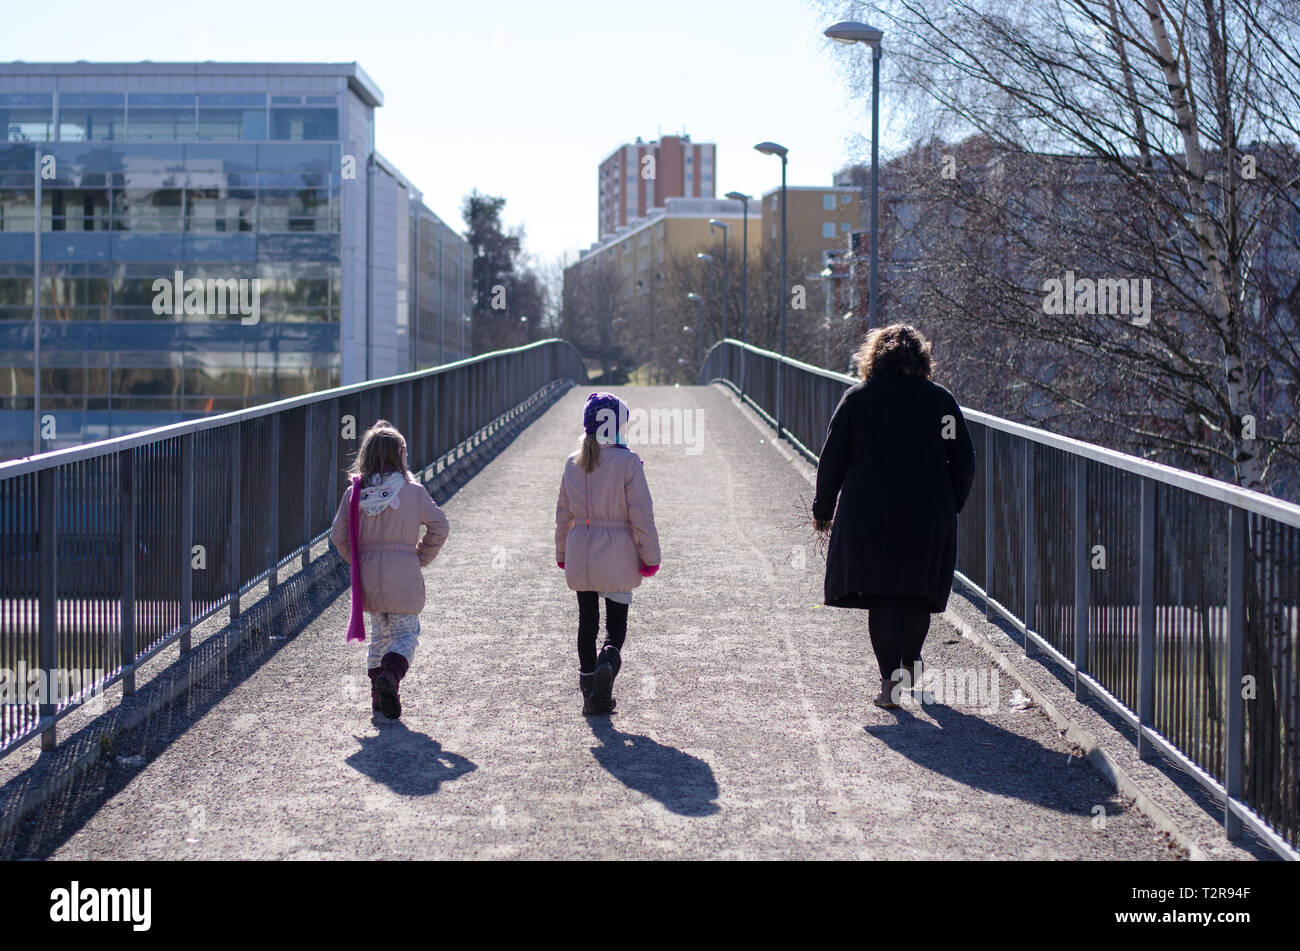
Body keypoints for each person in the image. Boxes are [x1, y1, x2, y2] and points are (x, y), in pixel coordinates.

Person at [812, 325, 976, 709]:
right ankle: (912, 663)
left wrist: (822, 510)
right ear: (921, 359)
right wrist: (952, 502)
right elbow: (964, 459)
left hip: (869, 514)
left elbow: (832, 459)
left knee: (883, 594)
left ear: (873, 358)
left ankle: (890, 684)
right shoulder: (940, 402)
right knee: (917, 592)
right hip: (928, 511)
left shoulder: (858, 400)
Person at [330, 420, 450, 720]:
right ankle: (391, 678)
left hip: (368, 577)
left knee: (379, 635)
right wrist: (421, 555)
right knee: (406, 633)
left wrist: (357, 561)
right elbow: (440, 525)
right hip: (403, 576)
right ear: (401, 456)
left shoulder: (354, 493)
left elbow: (337, 535)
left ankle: (377, 696)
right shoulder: (413, 492)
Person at [555, 393, 661, 715]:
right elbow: (641, 515)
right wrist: (650, 556)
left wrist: (562, 553)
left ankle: (589, 689)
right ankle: (608, 661)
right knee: (615, 626)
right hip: (618, 555)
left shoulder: (573, 463)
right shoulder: (629, 463)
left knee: (586, 622)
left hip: (581, 555)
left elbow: (563, 515)